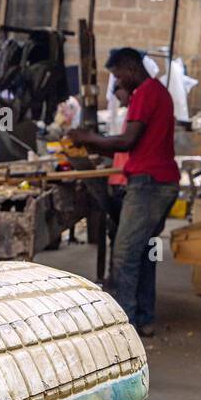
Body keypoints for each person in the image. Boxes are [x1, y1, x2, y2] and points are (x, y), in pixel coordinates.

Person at [65, 47, 179, 336]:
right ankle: (144, 318)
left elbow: (128, 141)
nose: (117, 83)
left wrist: (88, 137)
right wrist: (93, 142)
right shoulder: (155, 92)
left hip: (149, 184)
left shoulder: (145, 93)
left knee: (125, 252)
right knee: (142, 253)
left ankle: (125, 326)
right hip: (159, 181)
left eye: (117, 75)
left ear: (129, 68)